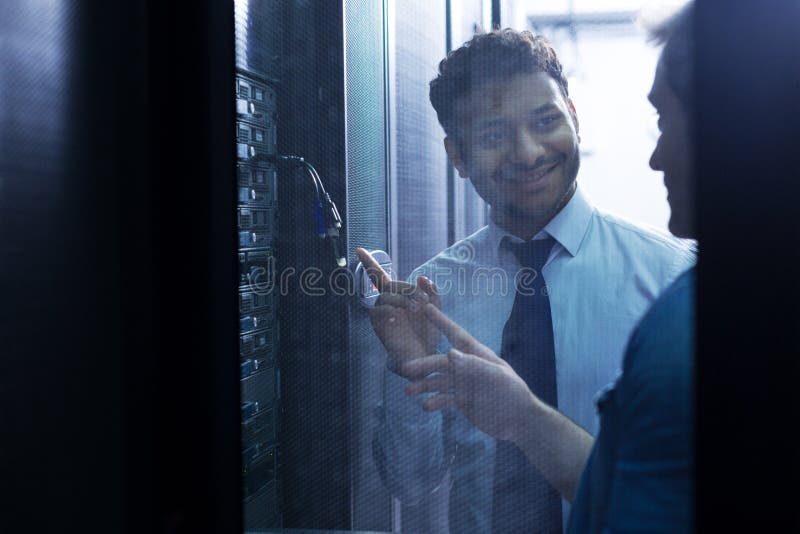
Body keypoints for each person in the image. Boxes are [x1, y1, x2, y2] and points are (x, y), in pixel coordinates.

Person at [357, 19, 695, 534]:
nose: (528, 152)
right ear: (458, 157)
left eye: (545, 121)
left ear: (574, 119)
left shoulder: (672, 279)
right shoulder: (434, 295)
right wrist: (411, 369)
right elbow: (410, 484)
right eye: (493, 136)